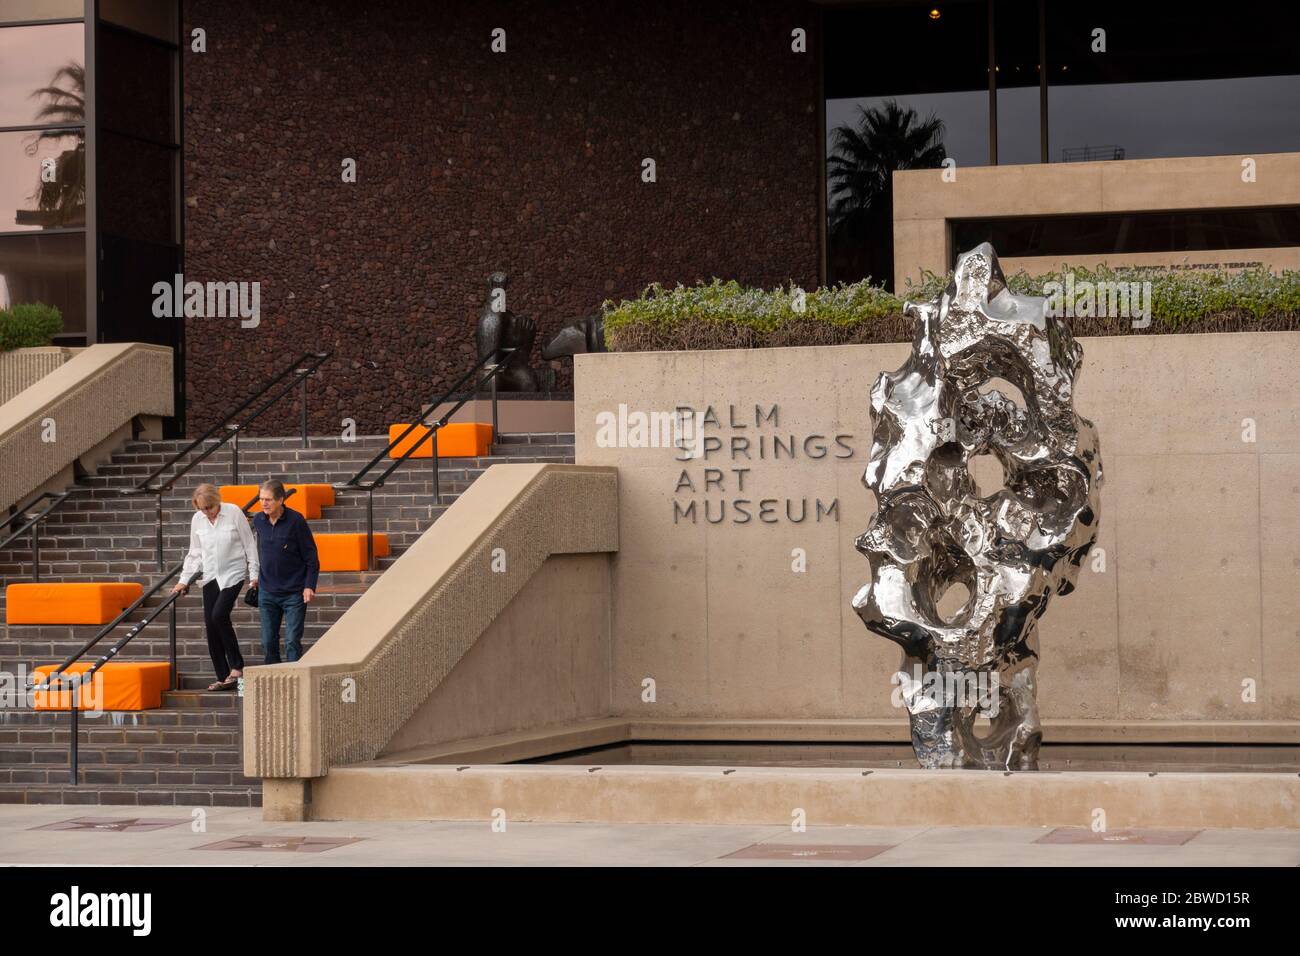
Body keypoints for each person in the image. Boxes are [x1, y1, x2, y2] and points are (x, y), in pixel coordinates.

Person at [173, 483, 258, 692]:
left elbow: (249, 545)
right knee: (211, 626)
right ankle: (222, 676)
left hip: (233, 573)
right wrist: (184, 580)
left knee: (219, 615)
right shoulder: (198, 519)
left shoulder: (233, 512)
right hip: (210, 575)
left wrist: (254, 575)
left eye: (210, 507)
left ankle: (237, 666)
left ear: (217, 501)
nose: (207, 512)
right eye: (203, 509)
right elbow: (195, 552)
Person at [251, 479, 319, 664]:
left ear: (281, 500)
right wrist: (255, 576)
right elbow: (258, 550)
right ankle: (274, 683)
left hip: (294, 592)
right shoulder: (258, 520)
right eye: (261, 499)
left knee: (292, 642)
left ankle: (294, 683)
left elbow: (311, 557)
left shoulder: (296, 521)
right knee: (267, 642)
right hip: (267, 591)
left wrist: (309, 586)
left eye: (268, 499)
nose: (264, 503)